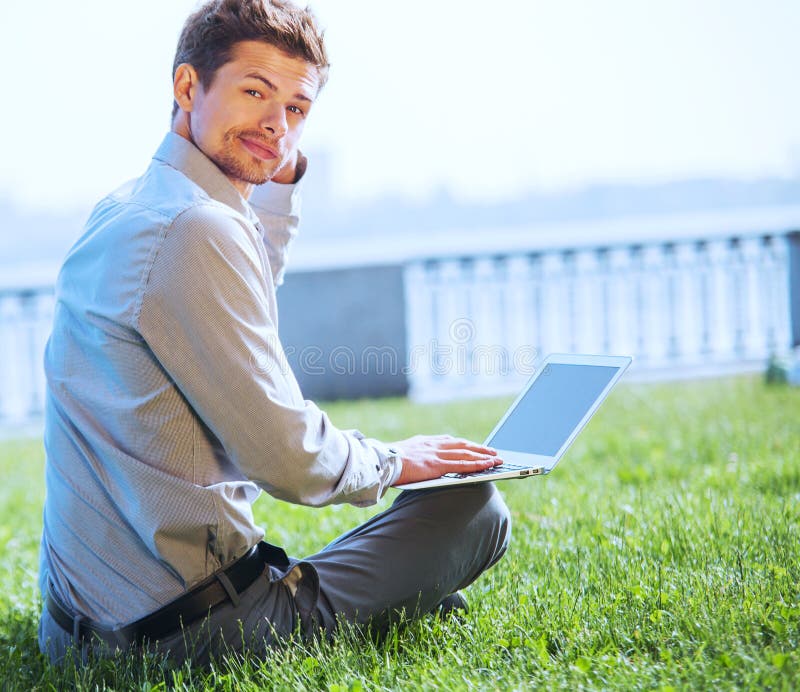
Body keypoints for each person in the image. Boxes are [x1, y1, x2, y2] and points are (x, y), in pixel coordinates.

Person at [38, 0, 511, 666]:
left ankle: (394, 595)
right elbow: (288, 459)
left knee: (415, 563)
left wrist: (274, 180)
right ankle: (391, 597)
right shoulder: (197, 230)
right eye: (255, 92)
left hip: (76, 631)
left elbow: (229, 300)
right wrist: (398, 460)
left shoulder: (128, 207)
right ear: (186, 87)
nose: (276, 124)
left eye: (296, 110)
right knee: (475, 511)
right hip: (185, 637)